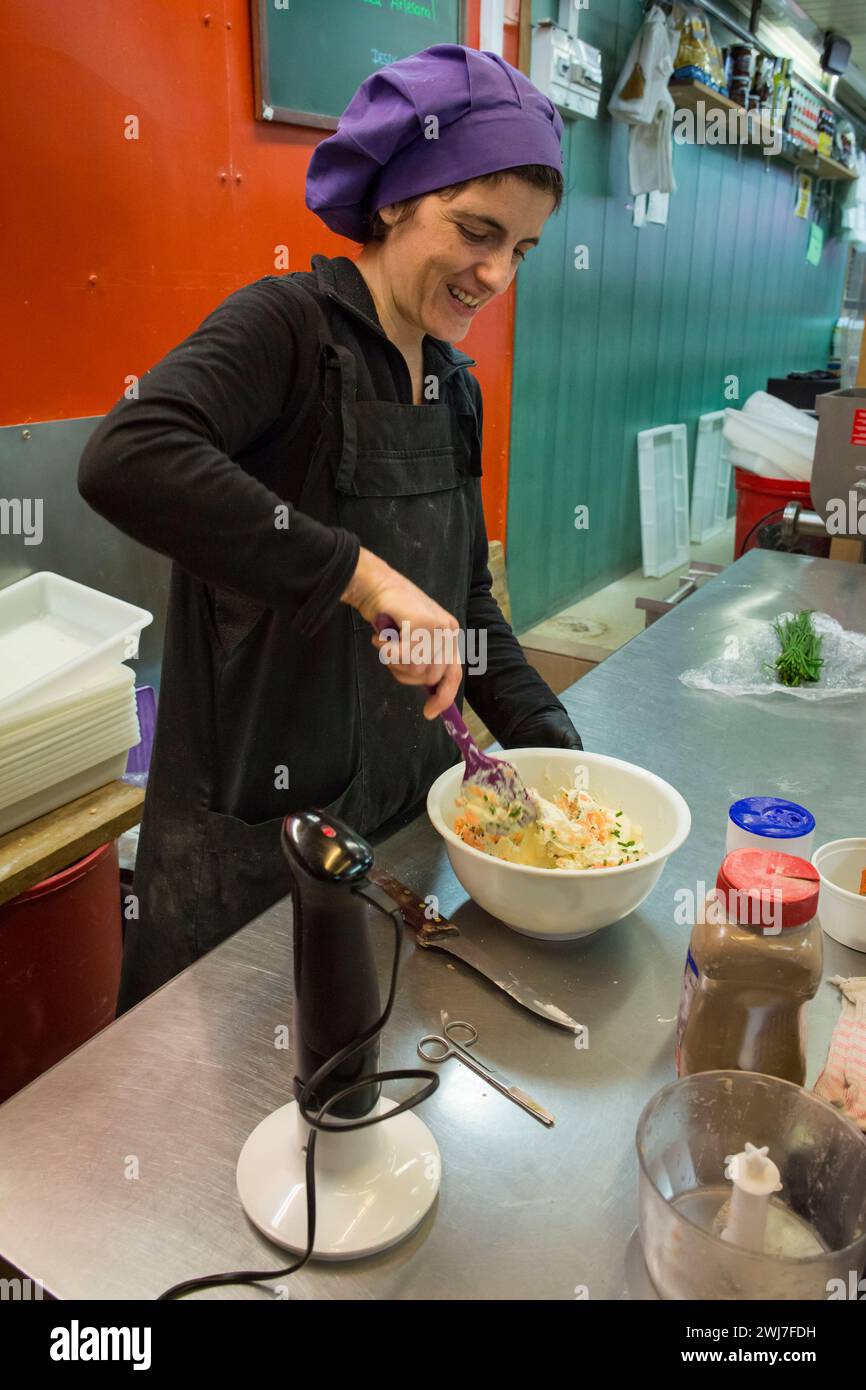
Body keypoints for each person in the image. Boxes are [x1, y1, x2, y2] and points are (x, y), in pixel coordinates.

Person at [79, 44, 583, 1013]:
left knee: (378, 1088)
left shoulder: (450, 383)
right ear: (395, 199)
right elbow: (125, 457)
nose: (493, 275)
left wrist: (554, 754)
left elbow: (464, 601)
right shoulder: (285, 326)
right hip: (256, 846)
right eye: (474, 231)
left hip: (407, 818)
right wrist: (364, 576)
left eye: (517, 250)